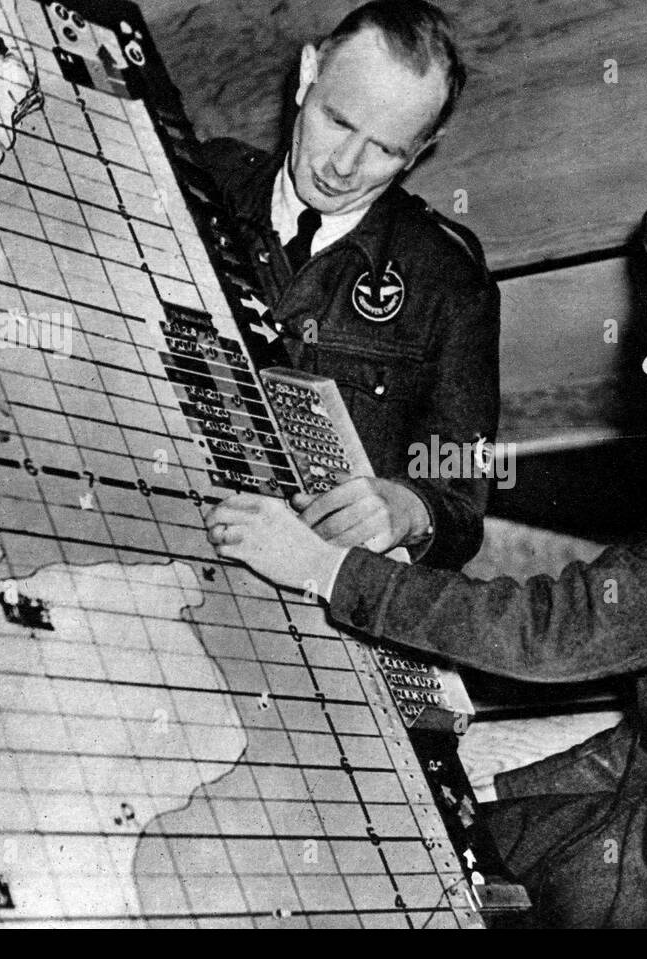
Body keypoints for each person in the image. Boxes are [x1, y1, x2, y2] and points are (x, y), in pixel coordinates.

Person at [205, 184, 647, 928]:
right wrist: (500, 792)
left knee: (391, 882)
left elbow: (555, 633)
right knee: (450, 839)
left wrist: (324, 568)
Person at [203, 0, 499, 569]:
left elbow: (463, 500)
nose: (342, 165)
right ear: (307, 73)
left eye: (385, 149)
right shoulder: (201, 178)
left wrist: (409, 510)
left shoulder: (449, 280)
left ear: (423, 148)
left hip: (315, 592)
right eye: (337, 121)